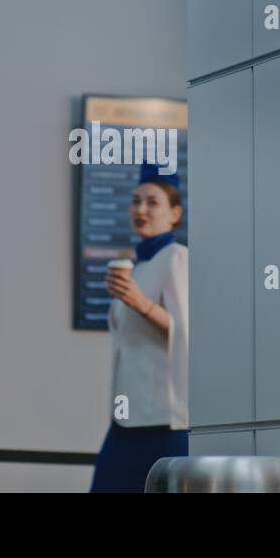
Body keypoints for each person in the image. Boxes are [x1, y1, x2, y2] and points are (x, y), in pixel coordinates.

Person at [90, 163, 189, 493]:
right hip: (125, 420)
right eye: (135, 201)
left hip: (164, 422)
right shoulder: (139, 265)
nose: (141, 209)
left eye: (152, 202)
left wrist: (136, 300)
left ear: (175, 214)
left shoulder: (177, 257)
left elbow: (186, 331)